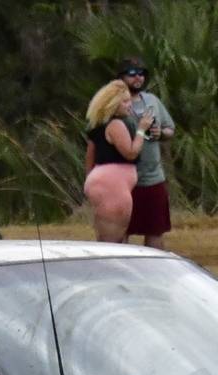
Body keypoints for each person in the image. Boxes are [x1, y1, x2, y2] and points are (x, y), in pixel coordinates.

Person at [117, 59, 177, 250]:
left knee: (155, 232)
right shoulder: (114, 104)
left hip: (153, 178)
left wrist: (161, 134)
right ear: (121, 77)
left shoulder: (152, 100)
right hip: (124, 179)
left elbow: (170, 129)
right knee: (120, 233)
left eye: (141, 73)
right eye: (132, 72)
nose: (138, 77)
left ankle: (154, 275)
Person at [81, 78, 147, 243]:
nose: (129, 105)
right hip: (113, 186)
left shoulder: (97, 127)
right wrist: (141, 130)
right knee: (112, 238)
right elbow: (130, 153)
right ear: (113, 104)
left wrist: (89, 180)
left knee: (107, 235)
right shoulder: (115, 125)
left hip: (102, 182)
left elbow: (89, 156)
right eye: (124, 102)